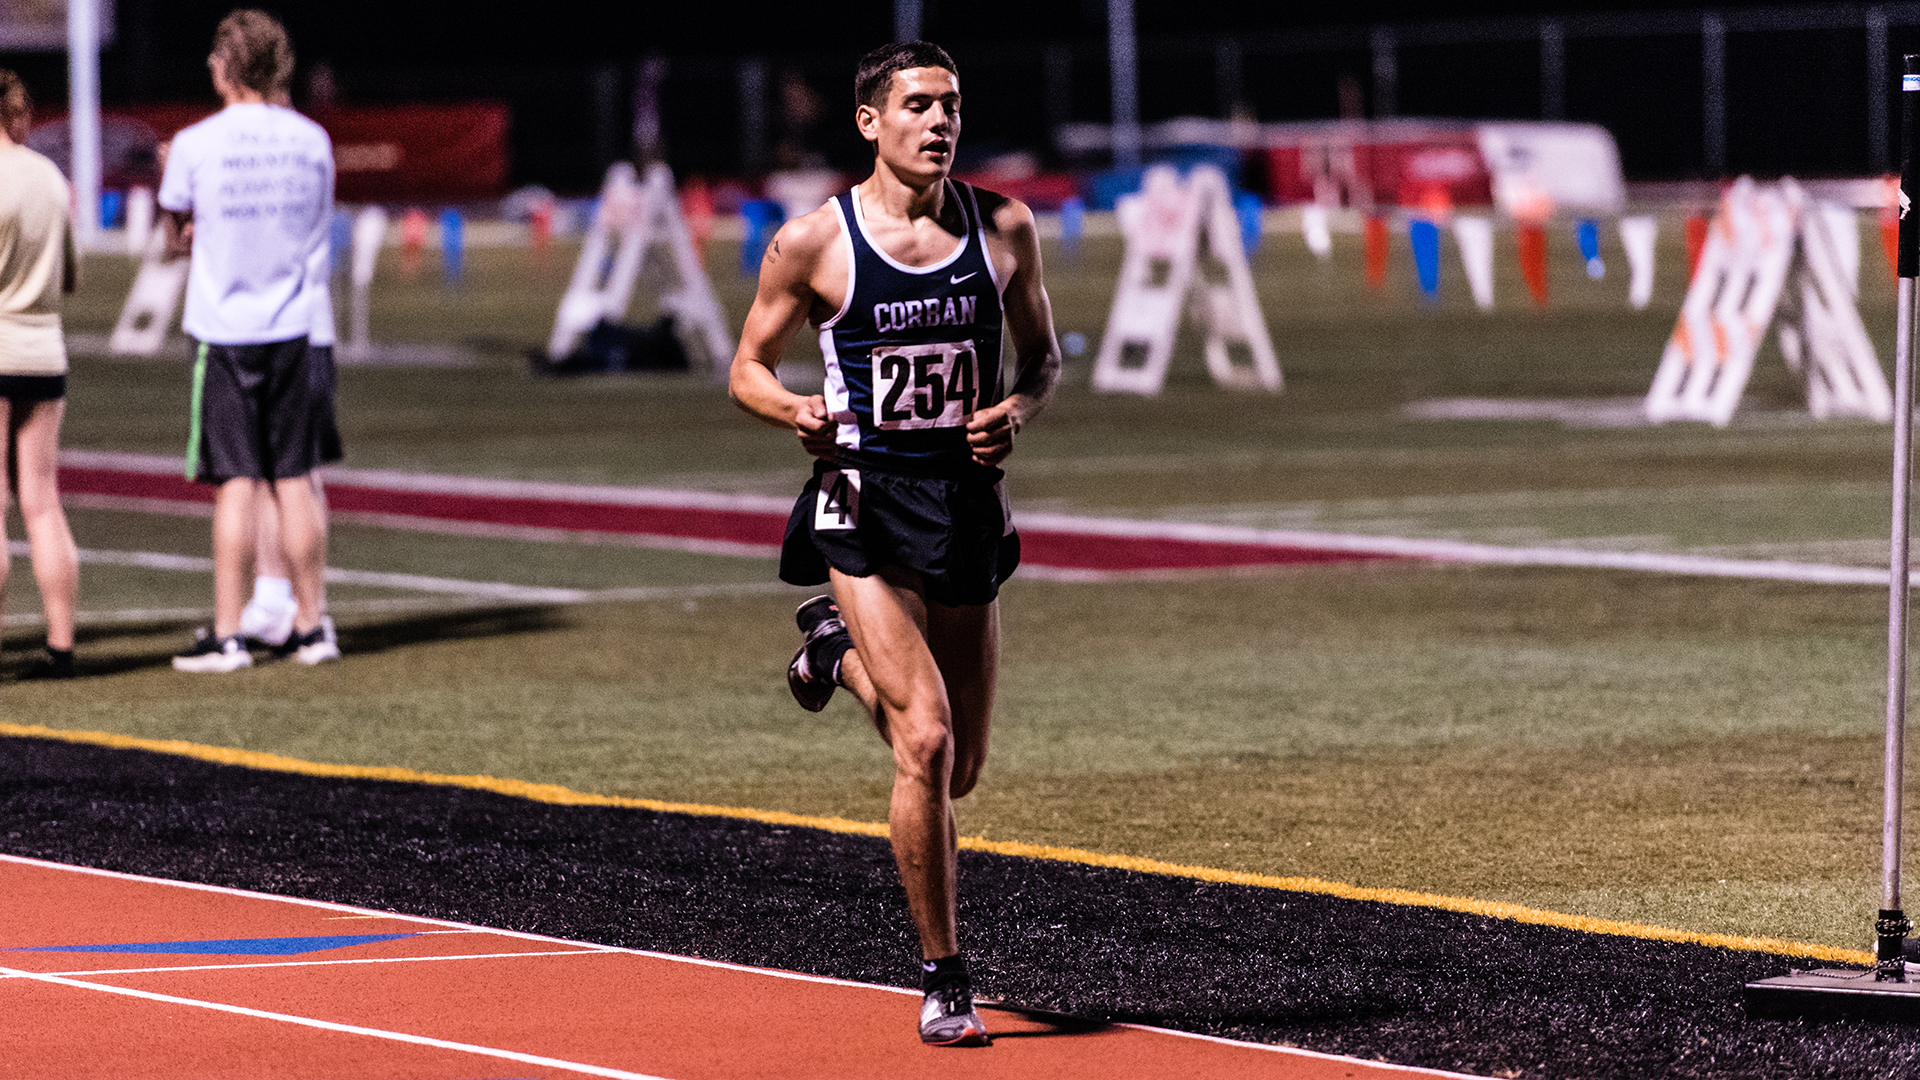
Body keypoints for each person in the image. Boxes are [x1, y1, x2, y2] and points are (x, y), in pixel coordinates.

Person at [728, 40, 1062, 1047]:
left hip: (963, 502)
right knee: (923, 741)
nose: (941, 122)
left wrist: (1015, 407)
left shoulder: (1003, 226)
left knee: (960, 772)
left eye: (952, 105)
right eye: (918, 105)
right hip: (861, 501)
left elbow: (1044, 357)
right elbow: (744, 366)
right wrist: (795, 410)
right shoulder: (813, 243)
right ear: (871, 122)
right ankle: (944, 975)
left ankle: (830, 651)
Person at [159, 9, 336, 672]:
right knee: (295, 477)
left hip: (225, 328)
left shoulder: (195, 143)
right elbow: (317, 227)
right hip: (294, 322)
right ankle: (312, 625)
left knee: (235, 480)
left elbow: (177, 237)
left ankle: (229, 634)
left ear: (229, 66)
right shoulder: (311, 140)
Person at [0, 70, 81, 679]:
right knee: (43, 502)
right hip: (44, 350)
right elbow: (69, 276)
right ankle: (60, 645)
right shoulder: (52, 179)